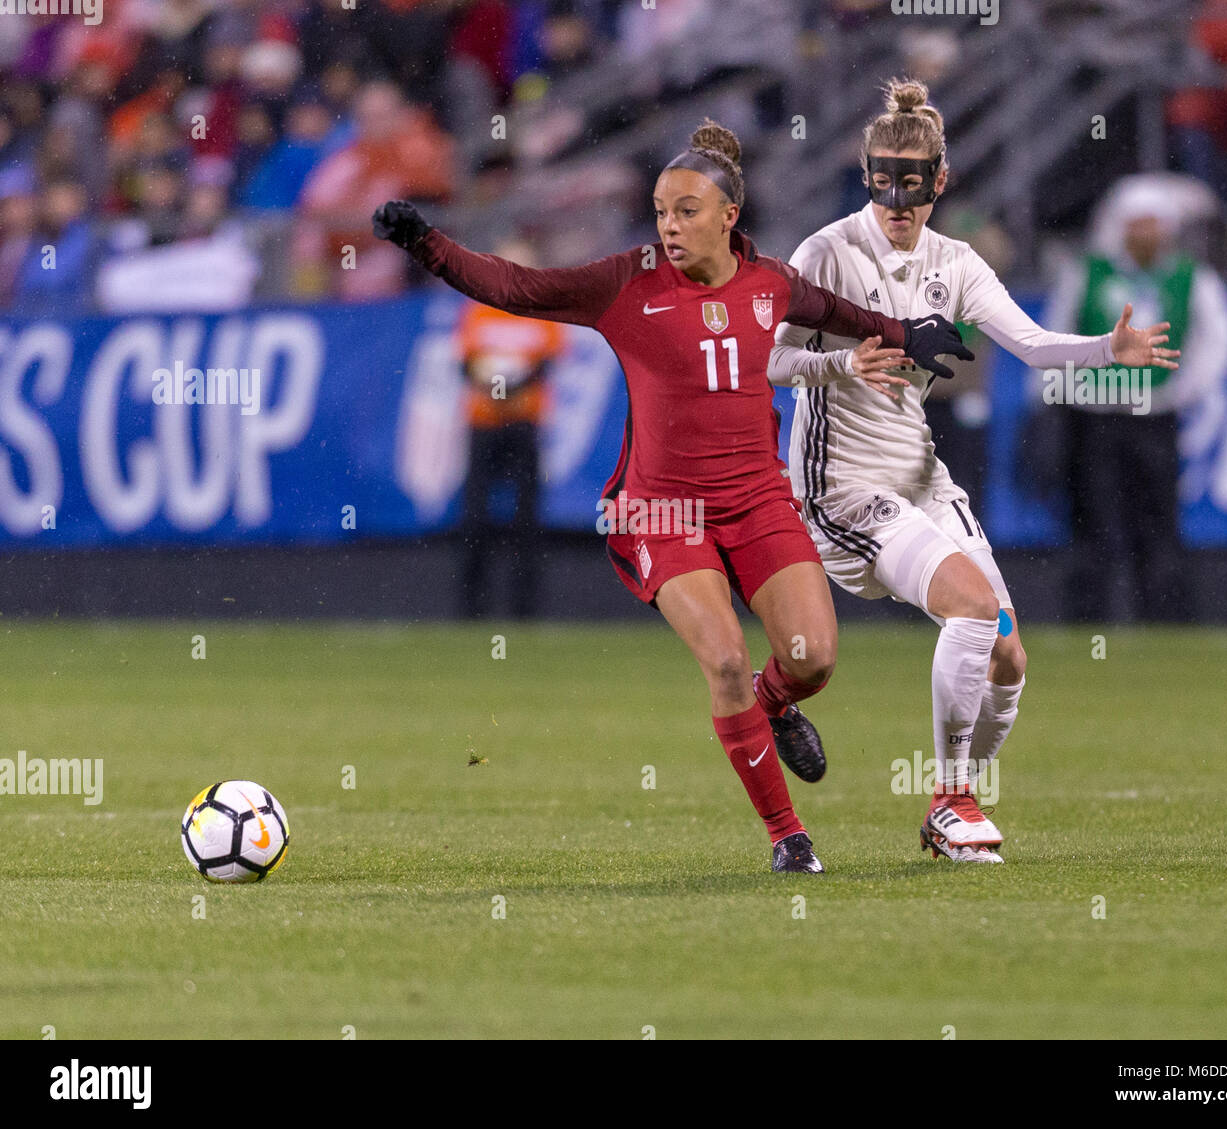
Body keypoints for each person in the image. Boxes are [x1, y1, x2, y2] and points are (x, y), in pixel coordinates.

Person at [375, 119, 970, 873]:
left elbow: (836, 313)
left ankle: (775, 702)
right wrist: (427, 243)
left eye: (687, 209)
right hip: (663, 509)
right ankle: (789, 838)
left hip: (757, 499)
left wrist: (906, 332)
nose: (669, 224)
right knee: (723, 660)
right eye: (660, 209)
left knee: (812, 657)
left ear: (729, 216)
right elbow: (516, 288)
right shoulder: (628, 281)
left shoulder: (769, 282)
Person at [768, 79, 1178, 863]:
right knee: (973, 609)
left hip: (924, 480)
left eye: (912, 183)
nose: (897, 200)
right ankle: (954, 801)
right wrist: (844, 363)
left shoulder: (956, 262)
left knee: (1008, 655)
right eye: (883, 180)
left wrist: (1105, 350)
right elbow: (766, 361)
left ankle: (946, 805)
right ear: (866, 176)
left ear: (941, 181)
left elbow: (1031, 343)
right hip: (842, 486)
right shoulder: (824, 253)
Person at [1046, 179, 1227, 623]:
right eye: (1136, 225)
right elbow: (1055, 337)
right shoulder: (1089, 271)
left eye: (1153, 224)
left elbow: (1221, 340)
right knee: (1093, 523)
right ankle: (1087, 622)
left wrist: (1182, 389)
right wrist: (1059, 397)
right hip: (1094, 416)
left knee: (1157, 524)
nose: (1145, 235)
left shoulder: (1190, 276)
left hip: (1155, 417)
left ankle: (1166, 621)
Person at [457, 237, 561, 619]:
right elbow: (464, 363)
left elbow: (545, 365)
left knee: (525, 518)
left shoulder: (541, 312)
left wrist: (505, 387)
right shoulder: (479, 312)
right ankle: (470, 607)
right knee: (475, 516)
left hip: (523, 423)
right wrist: (495, 386)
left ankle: (525, 608)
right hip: (483, 423)